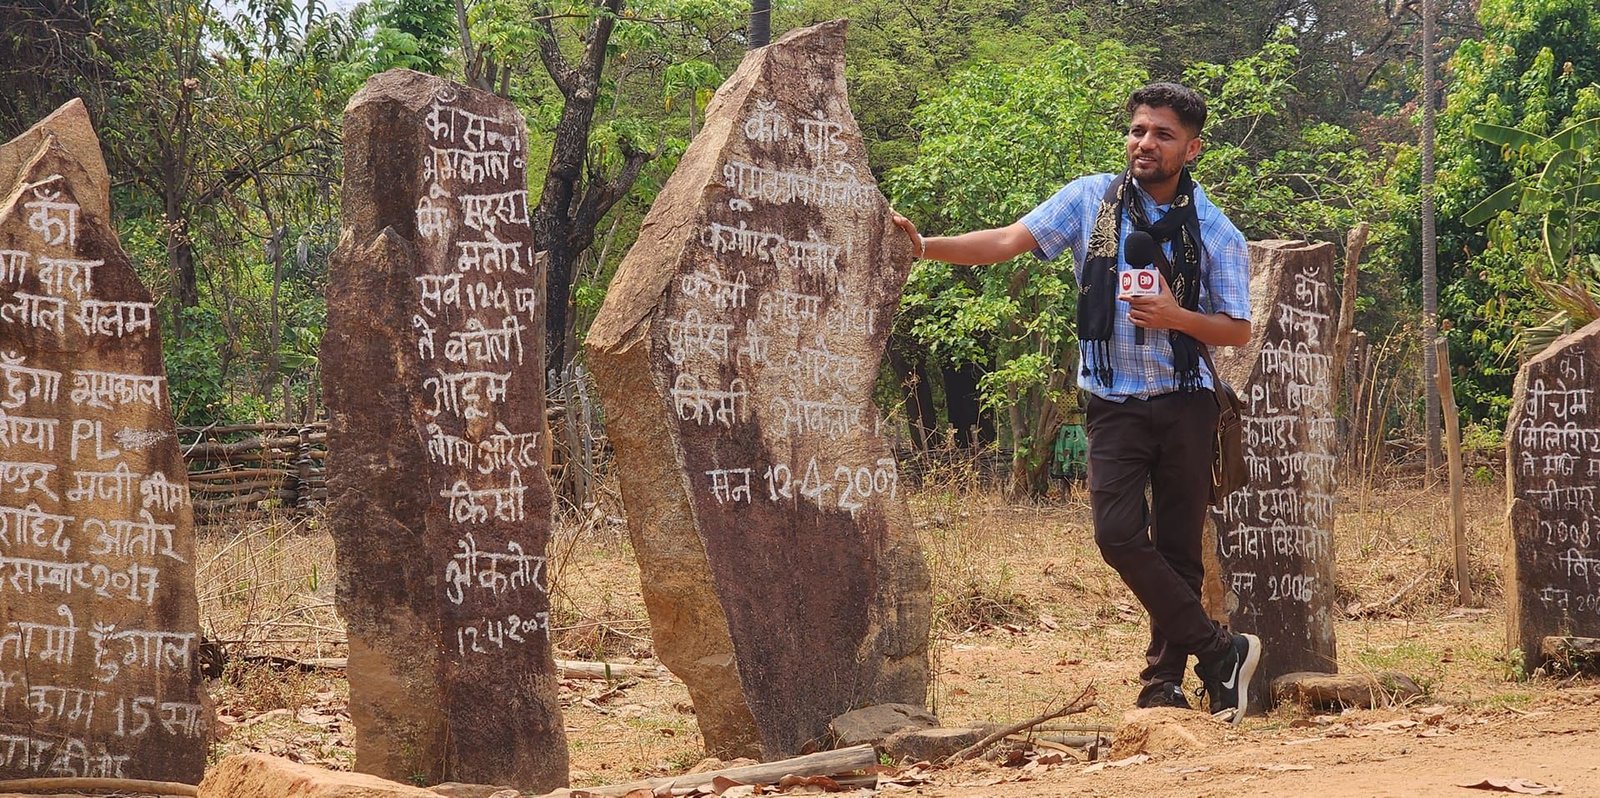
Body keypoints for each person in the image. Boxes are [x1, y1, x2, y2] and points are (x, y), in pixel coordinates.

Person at [891, 82, 1262, 723]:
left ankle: (1163, 684)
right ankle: (1221, 650)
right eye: (1139, 130)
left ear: (1191, 149)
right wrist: (923, 246)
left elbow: (1235, 329)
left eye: (1163, 135)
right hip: (1112, 399)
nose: (1145, 143)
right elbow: (1008, 240)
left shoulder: (1218, 232)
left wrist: (1176, 315)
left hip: (1186, 401)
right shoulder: (1092, 199)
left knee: (1177, 548)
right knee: (1117, 535)